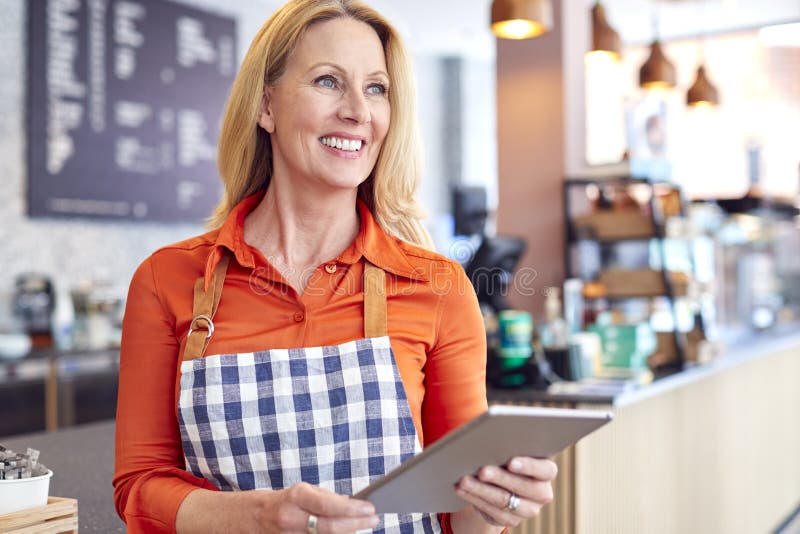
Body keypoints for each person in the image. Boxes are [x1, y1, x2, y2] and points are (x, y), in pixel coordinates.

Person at [112, 1, 557, 532]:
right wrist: (257, 517)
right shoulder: (167, 280)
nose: (358, 111)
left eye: (376, 88)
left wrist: (497, 503)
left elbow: (457, 513)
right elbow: (140, 485)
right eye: (328, 81)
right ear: (266, 105)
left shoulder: (438, 288)